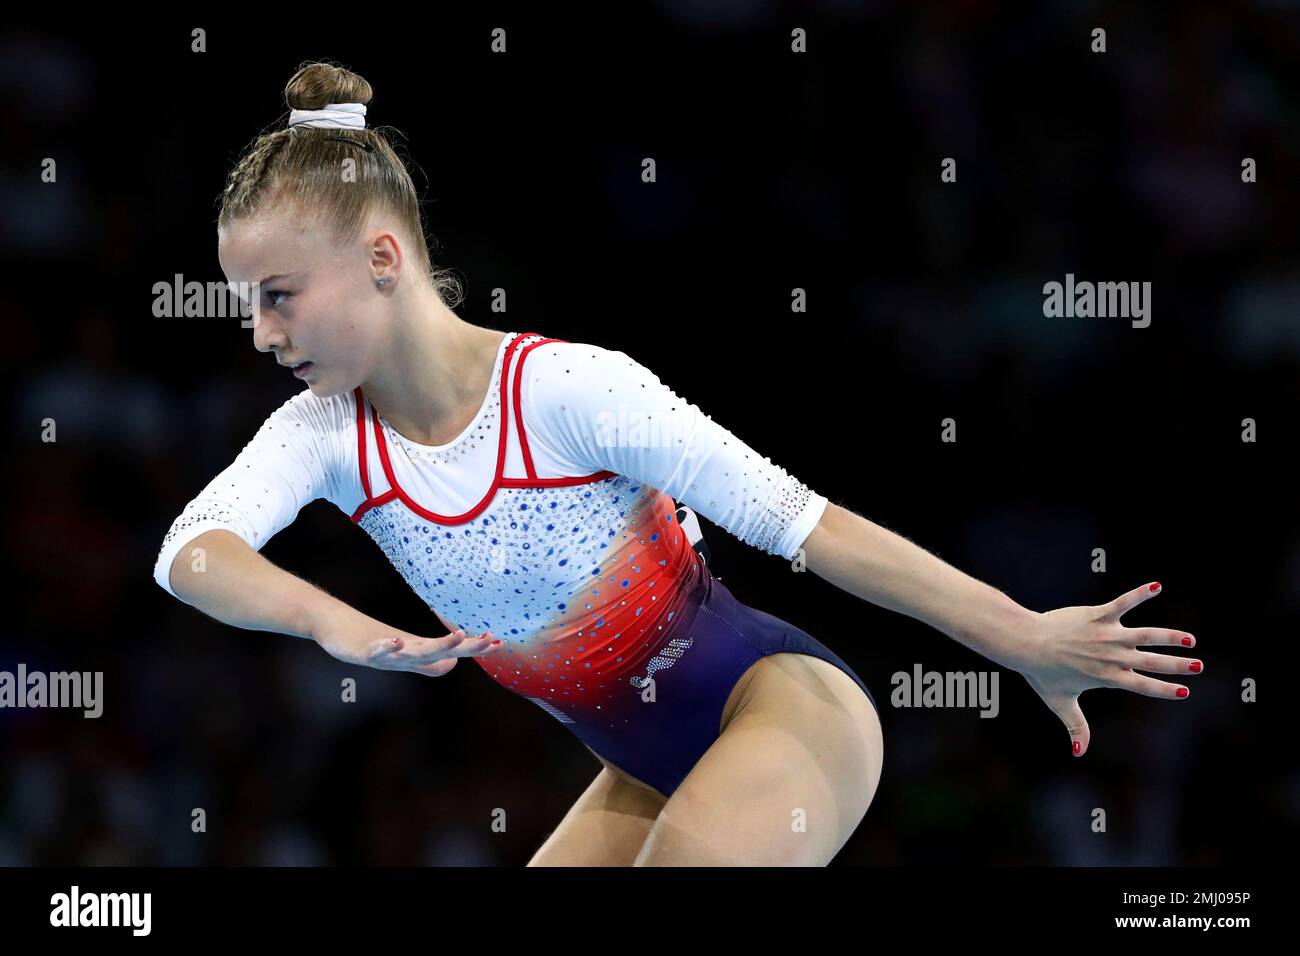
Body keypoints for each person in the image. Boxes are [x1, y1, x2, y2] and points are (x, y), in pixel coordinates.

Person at [155, 62, 1201, 866]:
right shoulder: (324, 433)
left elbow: (809, 523)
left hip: (783, 706)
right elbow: (188, 553)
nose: (257, 332)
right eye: (247, 300)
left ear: (382, 259)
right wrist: (329, 620)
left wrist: (1019, 635)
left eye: (277, 294)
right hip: (644, 767)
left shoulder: (570, 393)